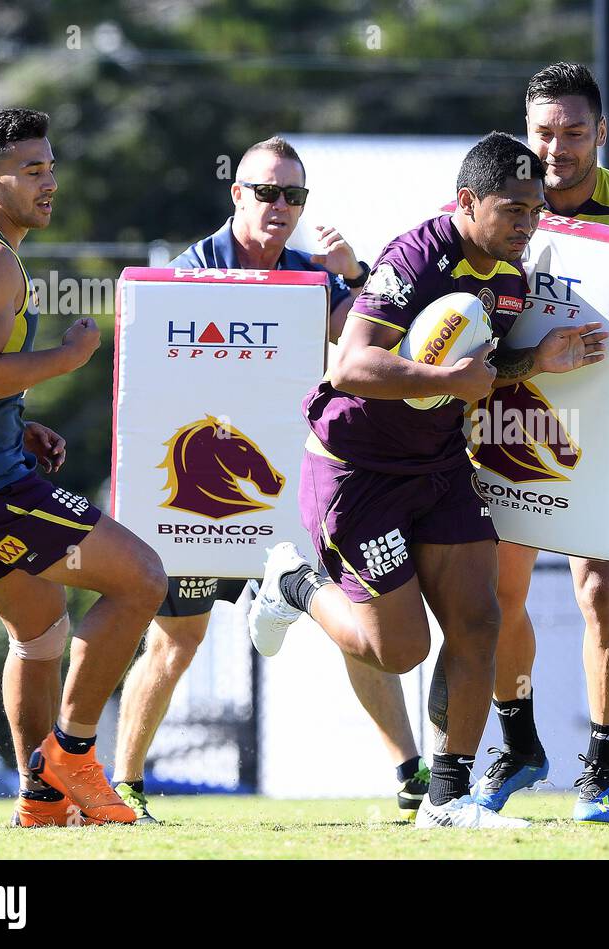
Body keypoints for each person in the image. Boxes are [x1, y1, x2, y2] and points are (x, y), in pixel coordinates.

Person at [249, 131, 607, 828]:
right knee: (402, 649)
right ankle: (291, 582)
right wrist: (447, 379)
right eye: (514, 209)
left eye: (536, 209)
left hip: (439, 465)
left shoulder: (511, 276)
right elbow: (351, 365)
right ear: (468, 202)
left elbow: (481, 366)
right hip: (357, 470)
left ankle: (449, 800)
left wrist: (537, 359)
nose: (529, 224)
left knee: (480, 619)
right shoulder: (415, 257)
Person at [111, 136, 431, 822]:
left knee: (355, 622)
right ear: (237, 195)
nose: (280, 206)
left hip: (287, 498)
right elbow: (151, 376)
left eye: (294, 196)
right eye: (266, 192)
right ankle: (125, 783)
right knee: (177, 642)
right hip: (198, 505)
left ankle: (410, 771)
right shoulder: (190, 271)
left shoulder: (310, 275)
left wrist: (357, 273)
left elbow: (370, 344)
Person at [0, 108, 167, 827]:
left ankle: (41, 797)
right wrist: (68, 358)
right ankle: (74, 754)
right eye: (32, 170)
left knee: (42, 633)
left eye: (51, 165)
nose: (50, 183)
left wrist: (18, 422)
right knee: (142, 578)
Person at [472, 63, 609, 823]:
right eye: (544, 132)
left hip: (602, 429)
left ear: (600, 132)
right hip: (506, 416)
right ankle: (518, 741)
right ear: (525, 131)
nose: (557, 148)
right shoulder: (490, 199)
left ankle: (600, 766)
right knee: (496, 595)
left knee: (599, 591)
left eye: (574, 133)